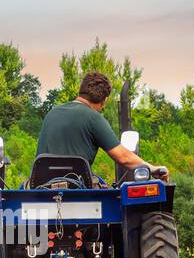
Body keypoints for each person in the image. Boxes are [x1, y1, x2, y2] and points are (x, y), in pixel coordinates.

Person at [36, 71, 168, 180]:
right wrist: (153, 169)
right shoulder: (93, 118)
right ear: (104, 101)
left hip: (39, 187)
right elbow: (124, 158)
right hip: (76, 187)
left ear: (80, 91)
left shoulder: (52, 113)